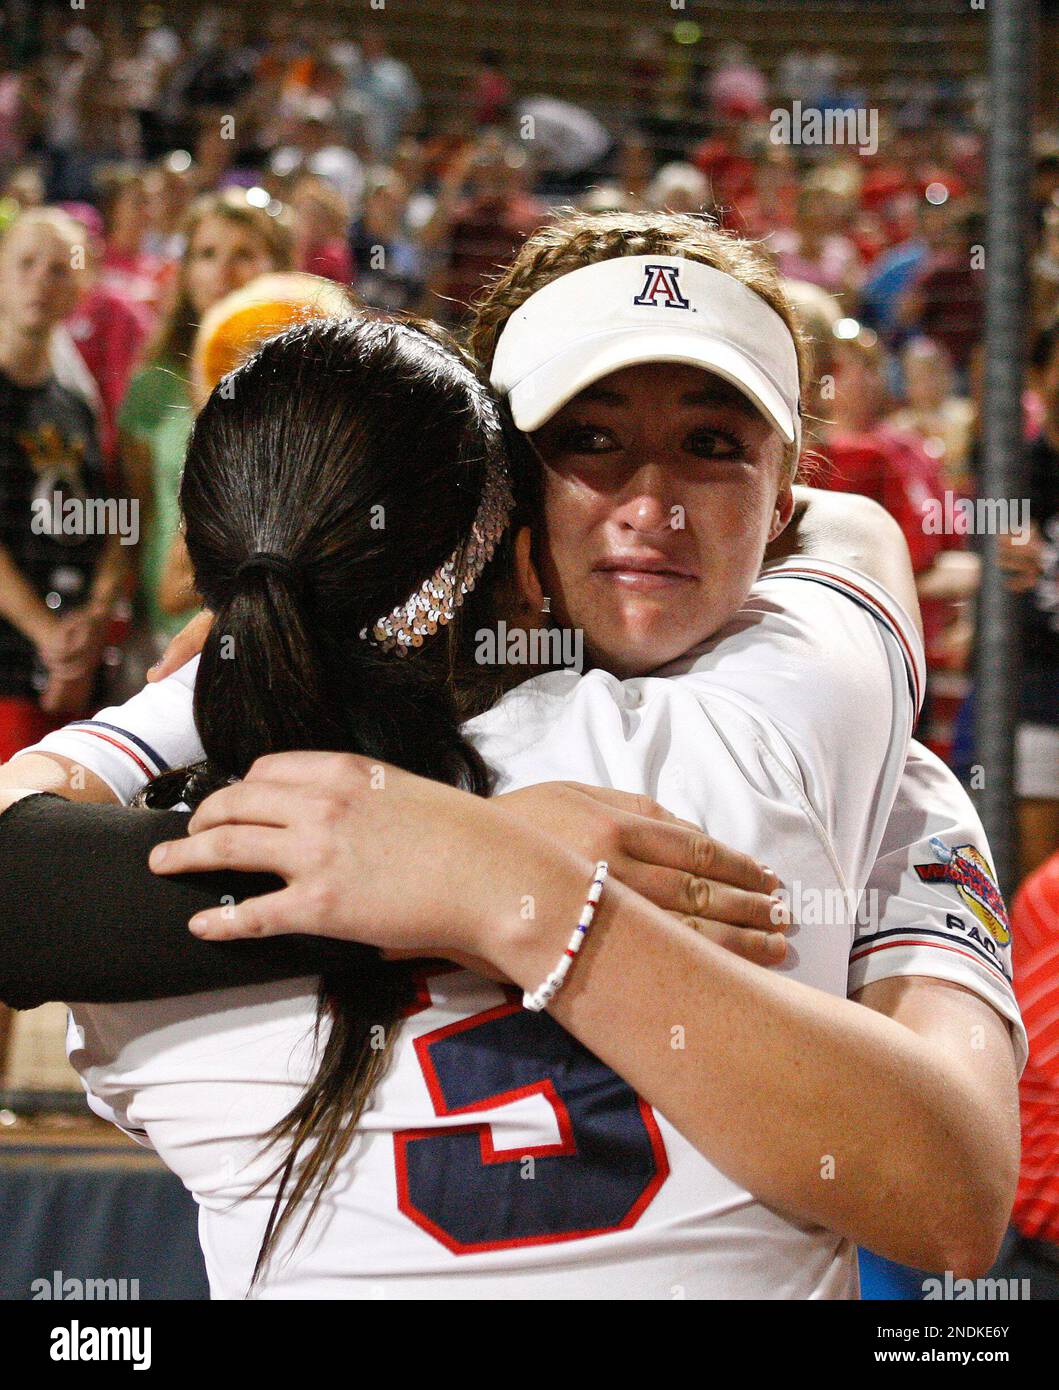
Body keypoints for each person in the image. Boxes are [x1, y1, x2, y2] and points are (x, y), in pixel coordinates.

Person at [1, 217, 1023, 1297]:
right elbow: (854, 538)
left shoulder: (231, 783)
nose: (651, 504)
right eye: (588, 439)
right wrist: (477, 869)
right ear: (495, 484)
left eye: (712, 444)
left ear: (780, 497)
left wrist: (465, 870)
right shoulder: (821, 728)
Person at [118, 189, 291, 656]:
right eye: (207, 254)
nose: (223, 271)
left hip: (266, 629)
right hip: (163, 630)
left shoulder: (296, 383)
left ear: (276, 269)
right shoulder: (153, 385)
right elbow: (134, 514)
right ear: (186, 269)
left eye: (244, 255)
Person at [0, 208, 128, 758]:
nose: (40, 282)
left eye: (58, 269)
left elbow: (113, 518)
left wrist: (90, 624)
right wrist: (45, 632)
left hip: (71, 663)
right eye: (25, 264)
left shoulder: (76, 403)